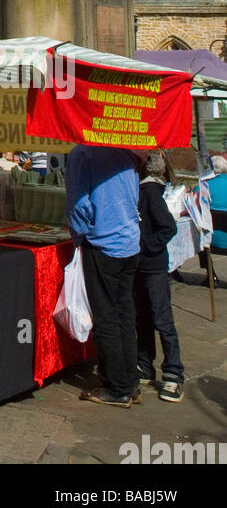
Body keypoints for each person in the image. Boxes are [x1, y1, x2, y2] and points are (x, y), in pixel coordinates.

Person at [65, 144, 142, 407]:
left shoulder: (82, 153)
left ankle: (117, 387)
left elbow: (79, 205)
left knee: (107, 318)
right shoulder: (123, 151)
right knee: (124, 315)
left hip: (104, 244)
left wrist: (79, 235)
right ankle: (130, 382)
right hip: (129, 242)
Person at [134, 151, 184, 401]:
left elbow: (168, 227)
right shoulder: (143, 191)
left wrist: (148, 246)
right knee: (142, 316)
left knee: (161, 319)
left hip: (152, 265)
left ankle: (173, 373)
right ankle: (145, 363)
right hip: (142, 265)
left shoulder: (150, 193)